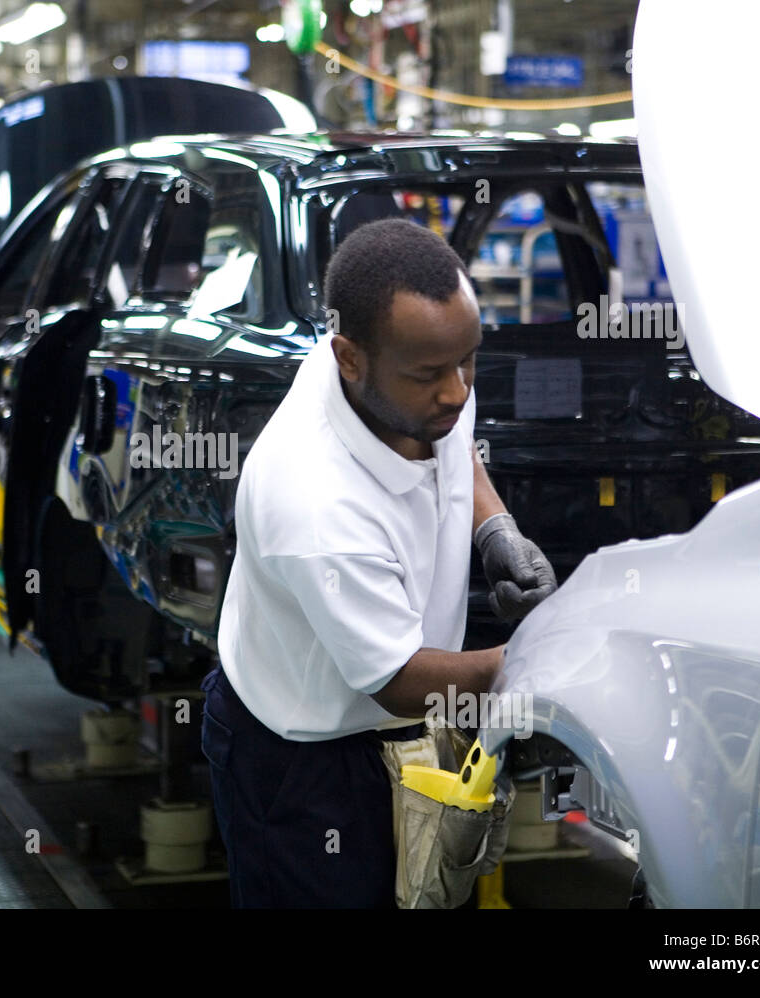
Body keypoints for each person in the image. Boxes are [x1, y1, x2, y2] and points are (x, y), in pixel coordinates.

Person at [202, 219, 558, 908]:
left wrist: (495, 529)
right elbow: (397, 680)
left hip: (405, 729)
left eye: (470, 362)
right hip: (307, 765)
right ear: (350, 358)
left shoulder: (421, 369)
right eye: (432, 375)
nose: (457, 391)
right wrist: (540, 663)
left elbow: (456, 446)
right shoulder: (313, 501)